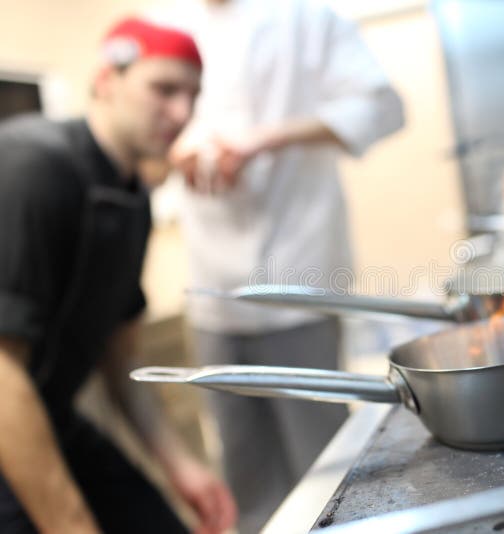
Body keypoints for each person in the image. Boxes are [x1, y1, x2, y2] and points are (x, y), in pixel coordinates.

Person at [162, 0, 405, 531]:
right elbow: (154, 130)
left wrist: (261, 139)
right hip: (211, 288)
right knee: (244, 466)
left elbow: (381, 105)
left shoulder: (305, 16)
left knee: (323, 467)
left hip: (295, 272)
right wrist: (174, 152)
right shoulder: (170, 20)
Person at [0, 17, 237, 534]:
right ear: (106, 80)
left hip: (48, 413)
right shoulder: (33, 165)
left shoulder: (132, 198)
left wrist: (182, 467)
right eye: (164, 89)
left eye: (193, 95)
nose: (182, 112)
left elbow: (120, 355)